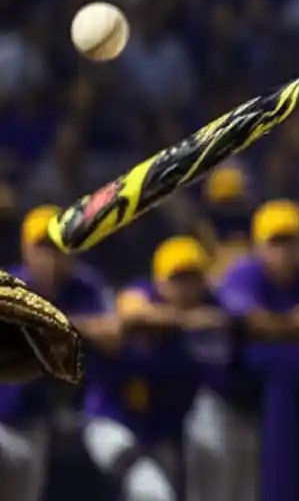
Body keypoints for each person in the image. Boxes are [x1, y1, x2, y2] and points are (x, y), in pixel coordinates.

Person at [186, 199, 299, 501]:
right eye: (275, 242)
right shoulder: (243, 274)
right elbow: (252, 320)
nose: (284, 252)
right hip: (226, 404)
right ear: (259, 246)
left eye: (291, 241)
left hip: (273, 413)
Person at [83, 236, 228, 501]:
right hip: (113, 423)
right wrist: (183, 320)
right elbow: (130, 312)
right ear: (159, 281)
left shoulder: (212, 315)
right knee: (153, 494)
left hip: (162, 435)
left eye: (192, 278)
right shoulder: (142, 297)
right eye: (177, 278)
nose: (186, 287)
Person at [0, 206, 117, 501]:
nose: (51, 257)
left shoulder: (83, 286)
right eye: (42, 247)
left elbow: (112, 336)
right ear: (25, 250)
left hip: (39, 424)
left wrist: (51, 323)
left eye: (57, 246)